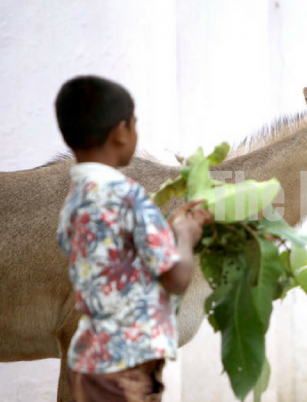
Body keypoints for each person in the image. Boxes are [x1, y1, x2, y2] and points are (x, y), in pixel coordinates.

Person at [54, 75, 212, 401]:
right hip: (129, 365)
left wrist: (160, 230)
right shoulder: (130, 197)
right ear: (121, 133)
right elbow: (176, 278)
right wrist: (183, 235)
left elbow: (110, 254)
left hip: (87, 362)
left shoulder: (74, 202)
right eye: (135, 124)